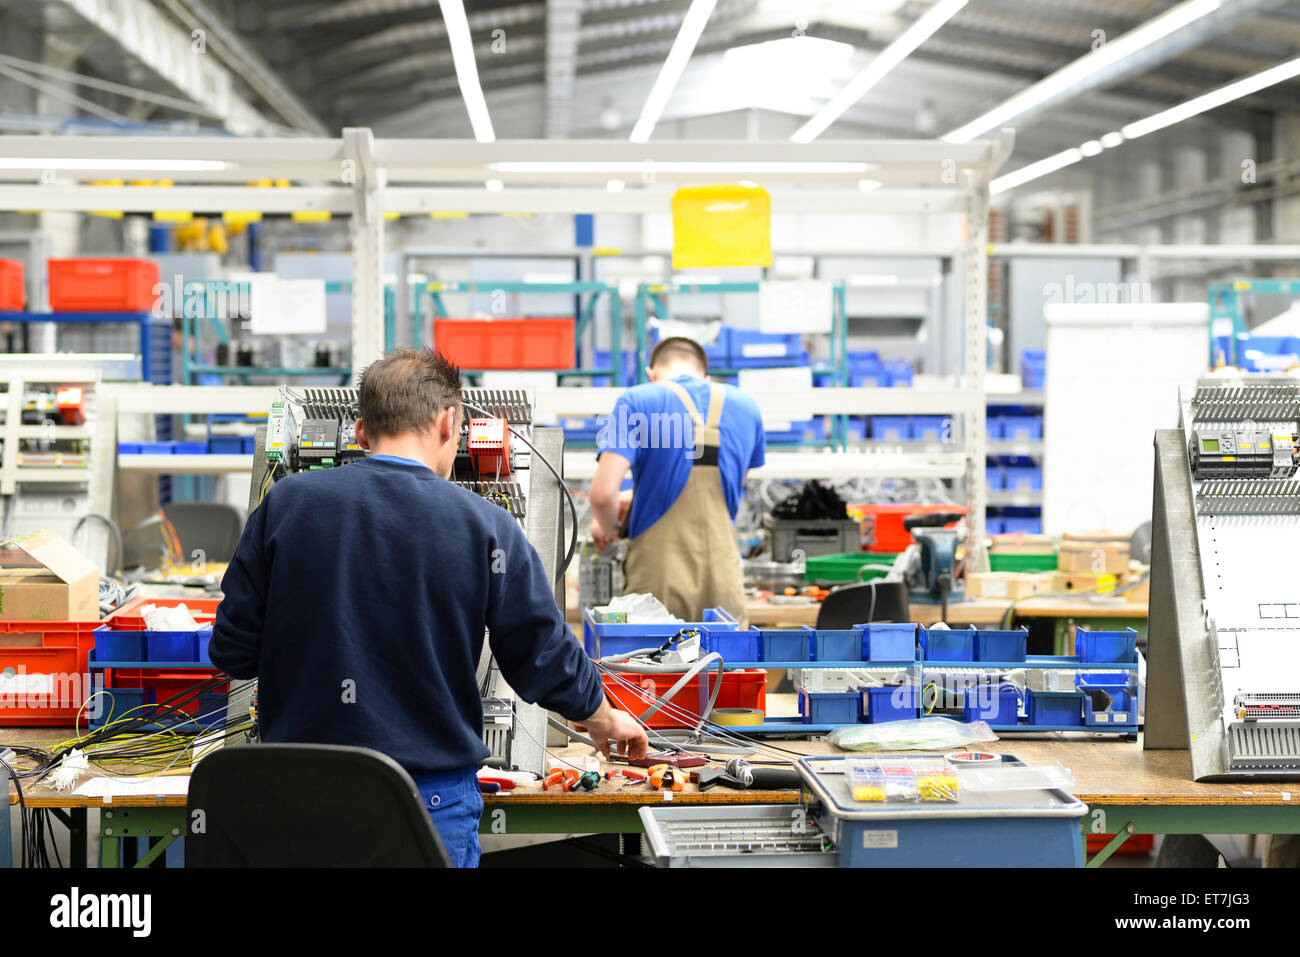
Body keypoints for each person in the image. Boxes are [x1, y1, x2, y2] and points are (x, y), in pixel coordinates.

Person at [210, 348, 648, 867]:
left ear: (359, 432)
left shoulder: (283, 506)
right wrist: (600, 717)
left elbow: (234, 651)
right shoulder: (486, 526)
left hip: (299, 793)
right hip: (426, 802)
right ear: (448, 422)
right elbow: (541, 654)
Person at [588, 336, 765, 626]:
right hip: (723, 576)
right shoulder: (747, 407)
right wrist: (638, 499)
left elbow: (601, 496)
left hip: (658, 576)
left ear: (651, 374)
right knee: (728, 668)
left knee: (653, 668)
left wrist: (607, 527)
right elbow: (731, 485)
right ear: (705, 376)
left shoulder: (637, 400)